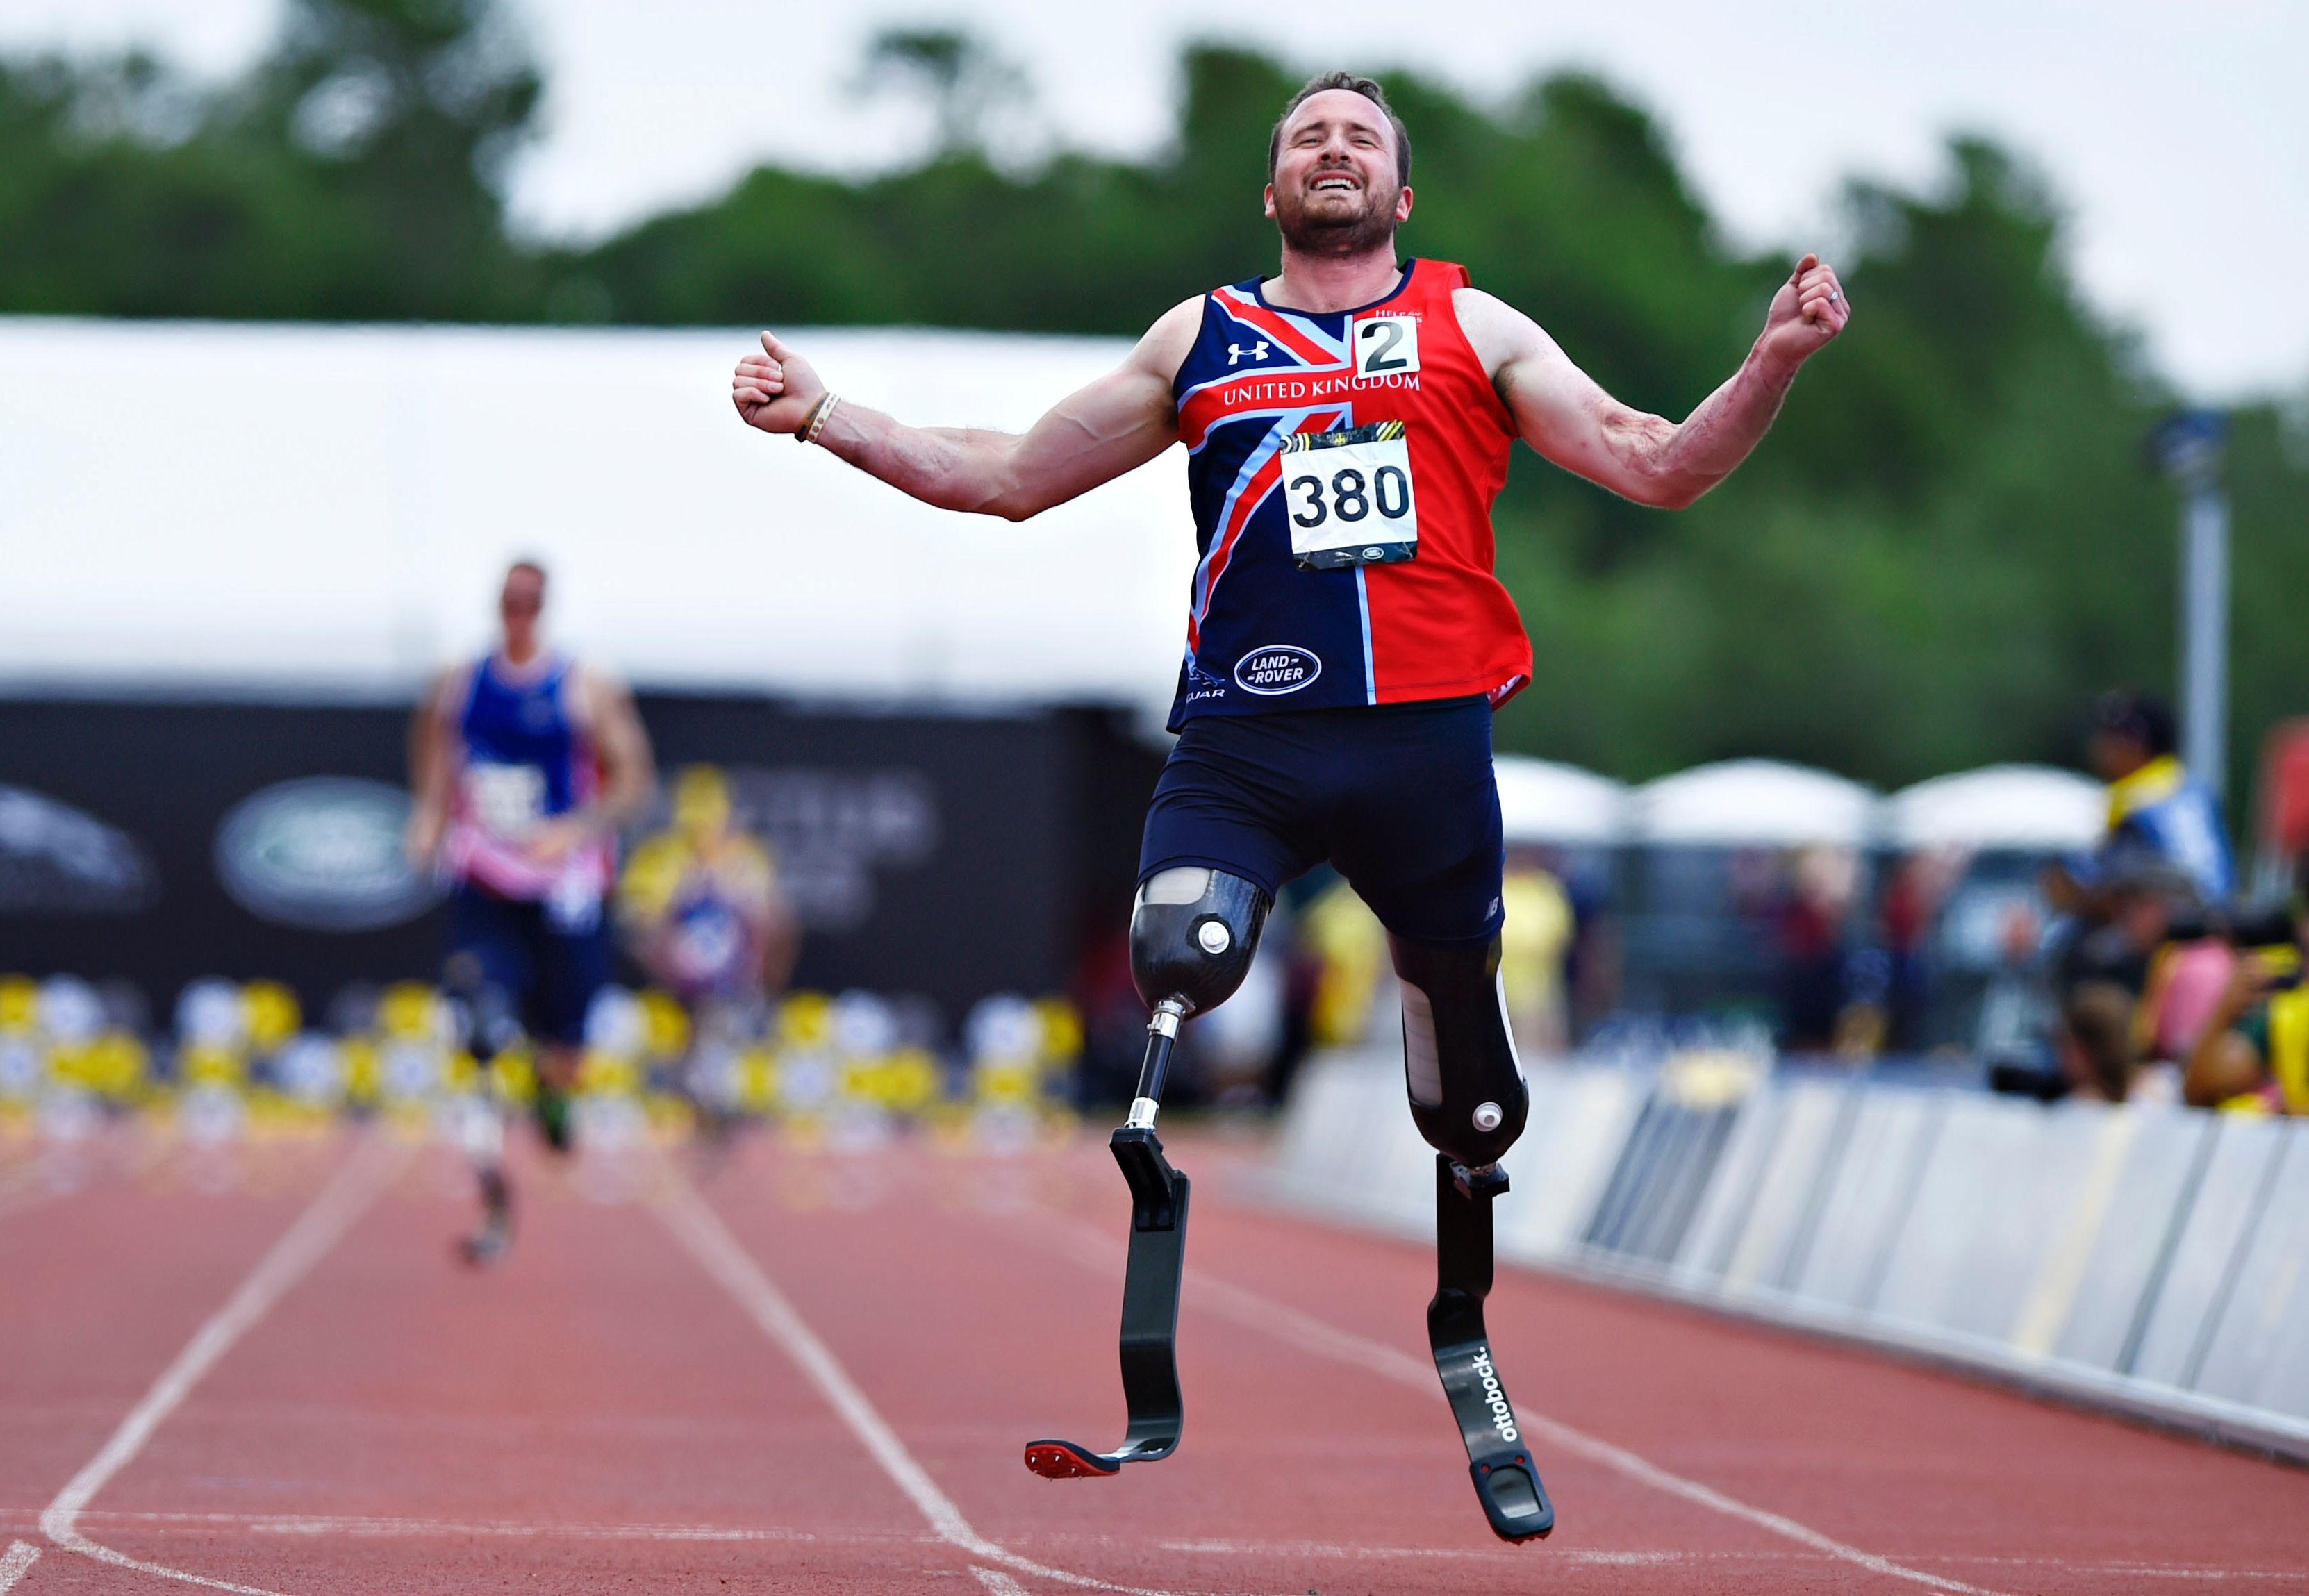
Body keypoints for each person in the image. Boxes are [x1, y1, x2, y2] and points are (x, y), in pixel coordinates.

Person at [730, 72, 1847, 1536]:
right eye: (1306, 138)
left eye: (1361, 139)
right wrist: (828, 415)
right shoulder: (1201, 337)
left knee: (1475, 1109)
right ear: (1271, 193)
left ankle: (1461, 1300)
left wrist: (1767, 361)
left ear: (1402, 194)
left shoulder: (1476, 325)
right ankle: (1158, 1238)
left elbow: (1657, 465)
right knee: (1180, 952)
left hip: (1424, 747)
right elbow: (1005, 478)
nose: (1333, 150)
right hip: (1245, 739)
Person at [406, 560, 656, 1263]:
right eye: (508, 602)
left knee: (564, 1044)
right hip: (485, 875)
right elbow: (434, 763)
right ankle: (492, 1193)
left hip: (564, 885)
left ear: (543, 609)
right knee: (481, 1018)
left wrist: (576, 829)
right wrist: (426, 822)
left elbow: (633, 779)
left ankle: (554, 1101)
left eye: (528, 604)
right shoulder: (459, 684)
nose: (517, 614)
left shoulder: (585, 687)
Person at [616, 765, 796, 1124]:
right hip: (665, 992)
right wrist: (671, 966)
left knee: (730, 1052)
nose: (704, 833)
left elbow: (776, 925)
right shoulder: (661, 858)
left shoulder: (746, 859)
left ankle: (718, 1112)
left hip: (731, 993)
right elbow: (636, 930)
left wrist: (760, 980)